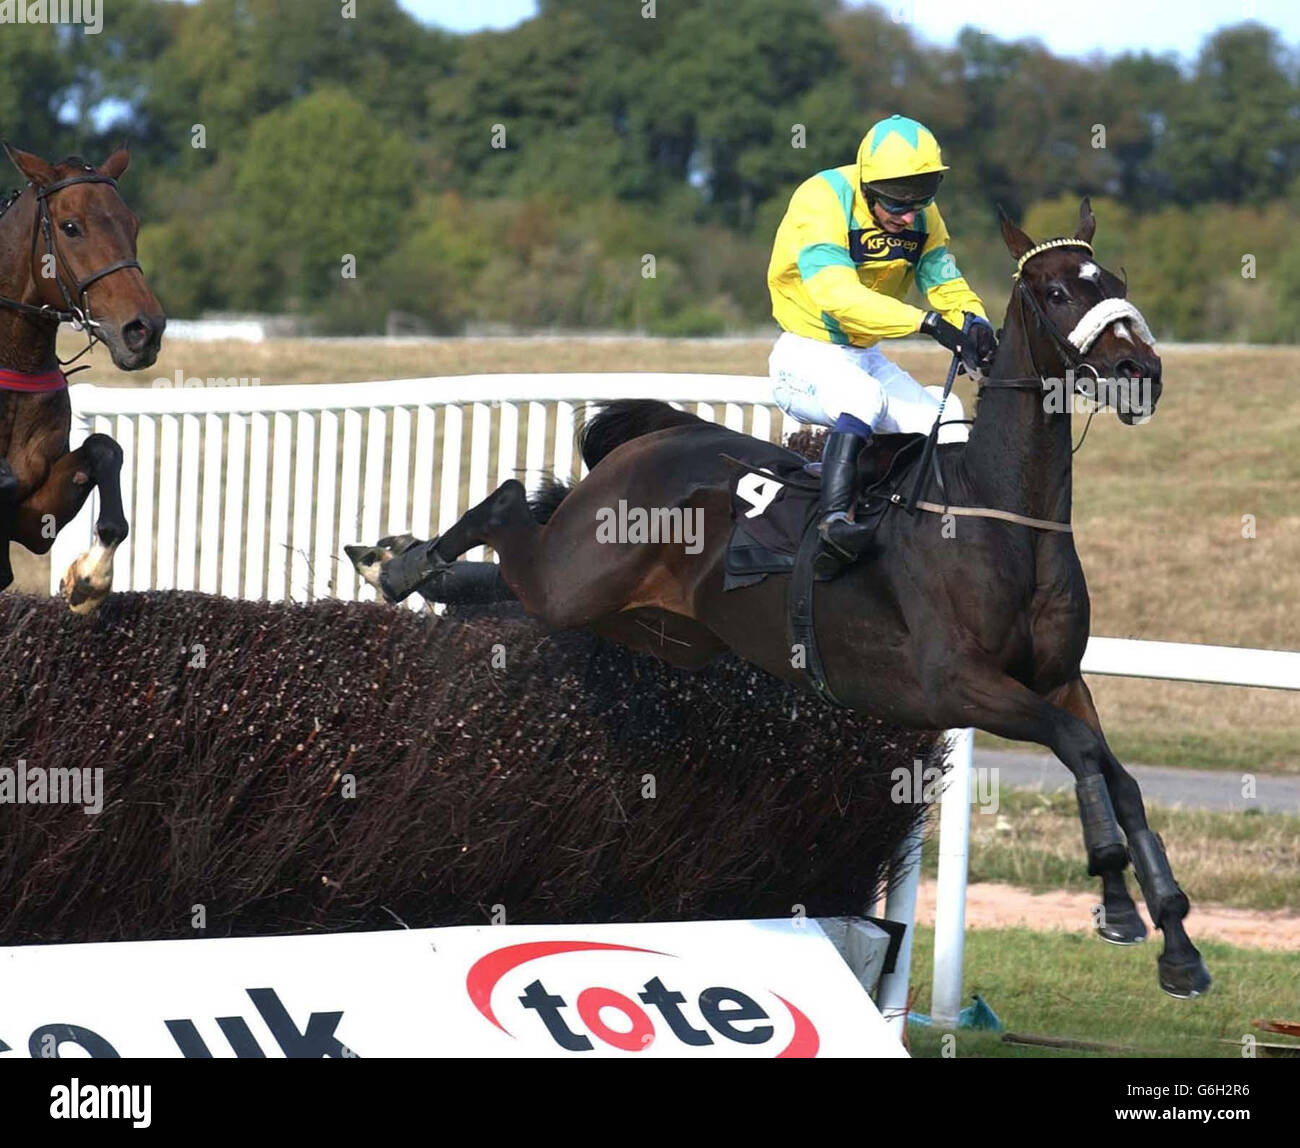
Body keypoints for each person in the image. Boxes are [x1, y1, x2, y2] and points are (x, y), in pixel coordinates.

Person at [767, 113, 996, 561]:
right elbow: (838, 296)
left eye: (921, 200)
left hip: (864, 355)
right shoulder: (822, 198)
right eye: (895, 204)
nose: (909, 215)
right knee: (864, 396)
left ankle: (936, 537)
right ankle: (835, 522)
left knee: (944, 418)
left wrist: (975, 322)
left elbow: (943, 281)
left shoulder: (921, 214)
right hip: (803, 355)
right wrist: (925, 324)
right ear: (867, 188)